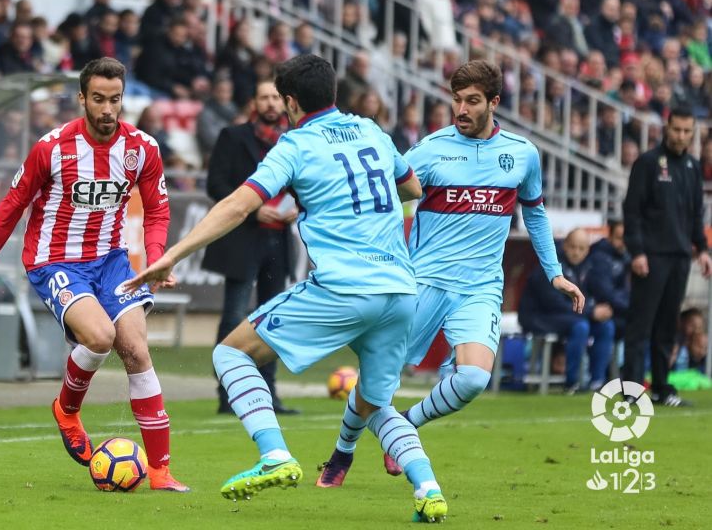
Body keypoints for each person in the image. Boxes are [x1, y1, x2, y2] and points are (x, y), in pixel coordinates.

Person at [126, 55, 448, 523]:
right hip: (400, 291)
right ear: (334, 93)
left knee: (230, 354)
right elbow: (412, 187)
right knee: (377, 403)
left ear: (291, 102)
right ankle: (428, 488)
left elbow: (239, 205)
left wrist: (171, 255)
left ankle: (275, 453)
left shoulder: (294, 144)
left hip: (344, 287)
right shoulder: (373, 131)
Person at [317, 60, 584, 484]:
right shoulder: (429, 151)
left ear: (494, 102)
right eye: (456, 99)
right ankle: (342, 452)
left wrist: (554, 273)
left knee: (475, 378)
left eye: (472, 101)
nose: (461, 109)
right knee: (374, 384)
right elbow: (379, 195)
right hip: (422, 282)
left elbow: (534, 213)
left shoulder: (521, 154)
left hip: (480, 287)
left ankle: (405, 424)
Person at [0, 58, 189, 492]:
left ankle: (161, 472)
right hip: (55, 261)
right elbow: (11, 208)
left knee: (136, 351)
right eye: (99, 99)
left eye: (116, 100)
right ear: (83, 98)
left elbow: (159, 208)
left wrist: (157, 258)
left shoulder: (142, 148)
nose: (108, 109)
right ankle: (67, 410)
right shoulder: (51, 148)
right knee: (101, 337)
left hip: (112, 261)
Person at [201, 80, 298, 416]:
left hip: (279, 241)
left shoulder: (293, 141)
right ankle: (227, 393)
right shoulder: (233, 137)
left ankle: (268, 393)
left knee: (273, 320)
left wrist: (300, 207)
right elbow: (216, 184)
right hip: (242, 239)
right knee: (234, 316)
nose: (271, 104)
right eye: (264, 98)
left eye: (276, 97)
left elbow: (304, 185)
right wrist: (254, 210)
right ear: (254, 103)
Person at [622, 107, 712, 407]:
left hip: (680, 257)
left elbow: (695, 213)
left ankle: (661, 387)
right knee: (640, 325)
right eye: (677, 130)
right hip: (650, 256)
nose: (682, 136)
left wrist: (703, 249)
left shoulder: (692, 166)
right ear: (667, 128)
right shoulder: (647, 163)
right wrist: (636, 251)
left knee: (667, 327)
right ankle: (632, 390)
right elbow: (632, 211)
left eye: (687, 131)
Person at [519, 229, 614, 392]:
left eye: (581, 248)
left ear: (588, 250)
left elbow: (597, 292)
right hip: (540, 317)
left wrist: (602, 309)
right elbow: (552, 302)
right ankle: (572, 382)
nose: (576, 253)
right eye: (573, 247)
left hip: (572, 316)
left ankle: (597, 381)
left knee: (606, 326)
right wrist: (591, 311)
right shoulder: (550, 264)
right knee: (581, 326)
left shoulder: (590, 267)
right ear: (565, 246)